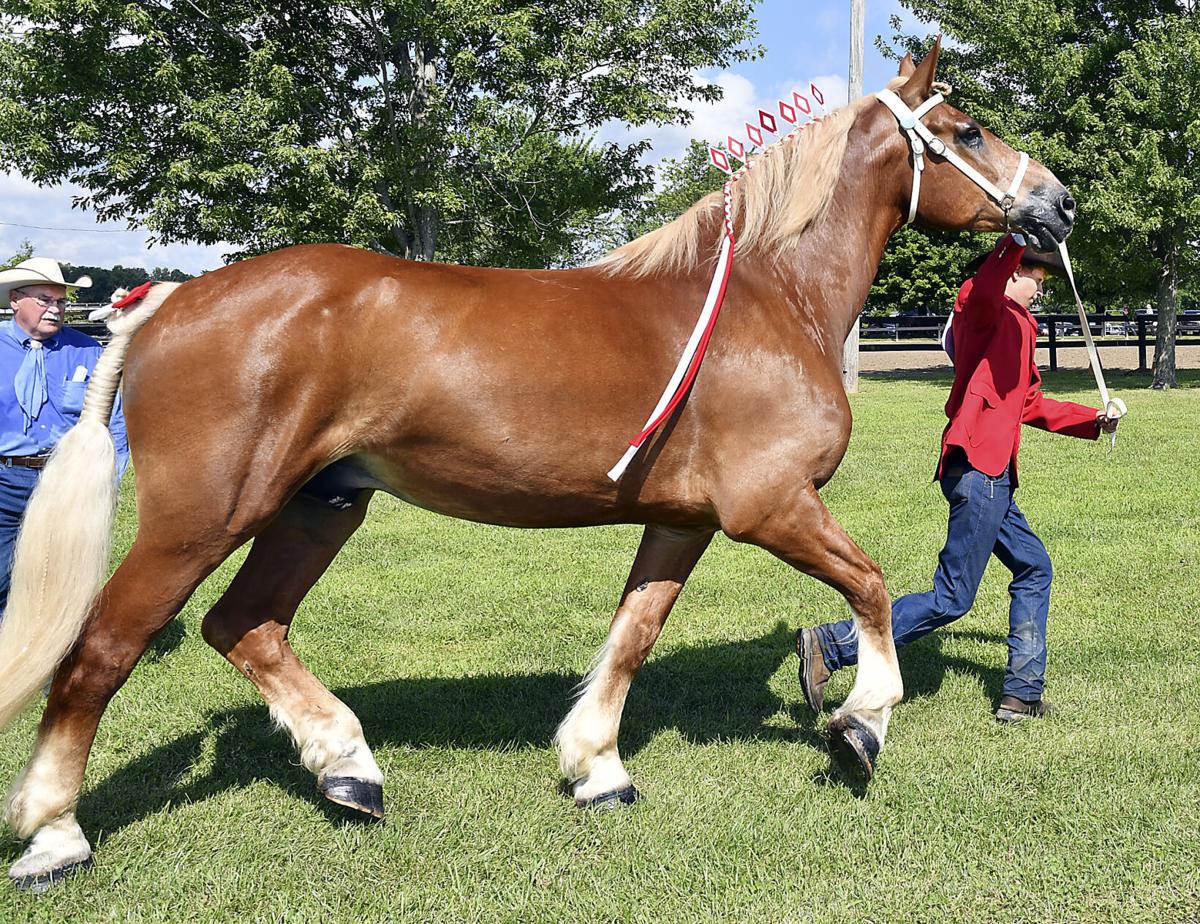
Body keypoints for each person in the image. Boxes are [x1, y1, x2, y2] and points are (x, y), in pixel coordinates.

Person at [797, 233, 1120, 723]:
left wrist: (1091, 421)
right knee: (951, 599)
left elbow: (1027, 402)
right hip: (978, 471)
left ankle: (1021, 693)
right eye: (1039, 275)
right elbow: (985, 289)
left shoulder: (1022, 324)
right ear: (1014, 271)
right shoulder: (980, 304)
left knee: (1035, 568)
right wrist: (1016, 237)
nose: (1042, 284)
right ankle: (833, 644)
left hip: (994, 477)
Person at [0, 257, 129, 617]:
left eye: (60, 302)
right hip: (4, 478)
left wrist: (107, 482)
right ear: (15, 300)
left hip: (66, 482)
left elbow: (114, 422)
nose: (55, 309)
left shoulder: (88, 351)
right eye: (44, 300)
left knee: (54, 575)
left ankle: (46, 653)